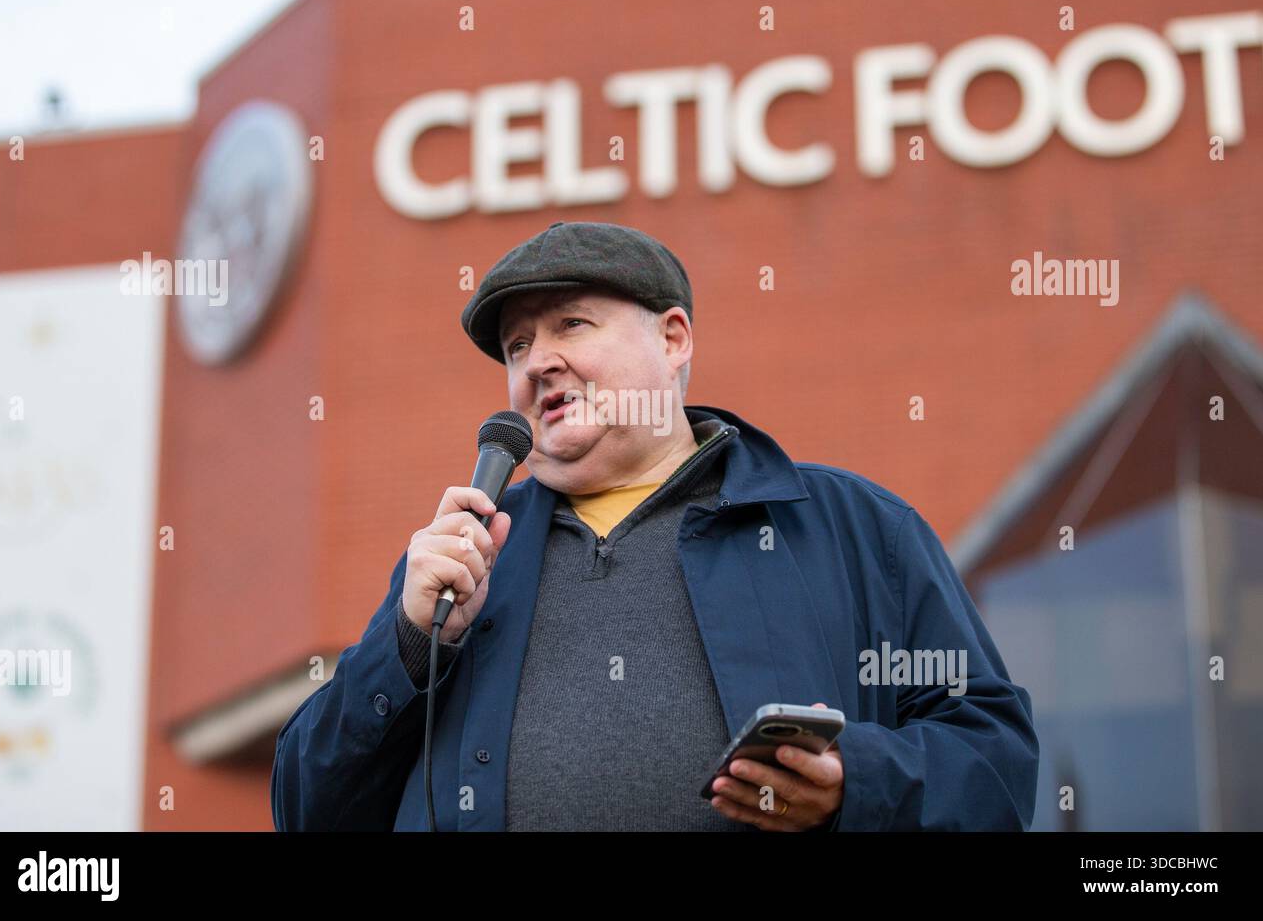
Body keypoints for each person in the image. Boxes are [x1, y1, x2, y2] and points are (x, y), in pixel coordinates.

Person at [270, 221, 1038, 831]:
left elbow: (995, 766)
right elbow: (307, 807)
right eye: (518, 346)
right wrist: (409, 645)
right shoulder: (461, 561)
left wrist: (854, 788)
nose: (539, 362)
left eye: (571, 324)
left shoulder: (853, 529)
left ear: (673, 340)